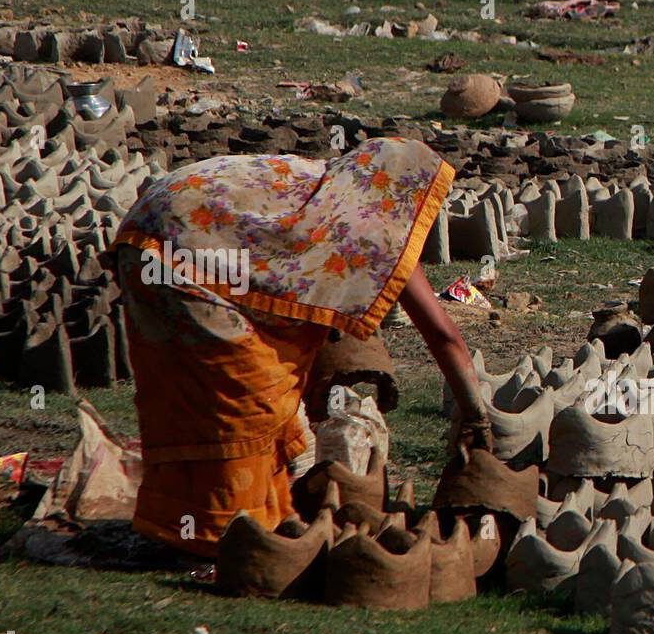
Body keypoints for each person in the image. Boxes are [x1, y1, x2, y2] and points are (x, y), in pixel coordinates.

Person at [109, 137, 491, 558]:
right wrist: (476, 416)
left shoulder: (325, 186)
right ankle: (225, 540)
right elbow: (443, 334)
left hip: (155, 232)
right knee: (246, 399)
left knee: (196, 397)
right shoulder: (368, 226)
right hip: (175, 248)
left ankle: (189, 527)